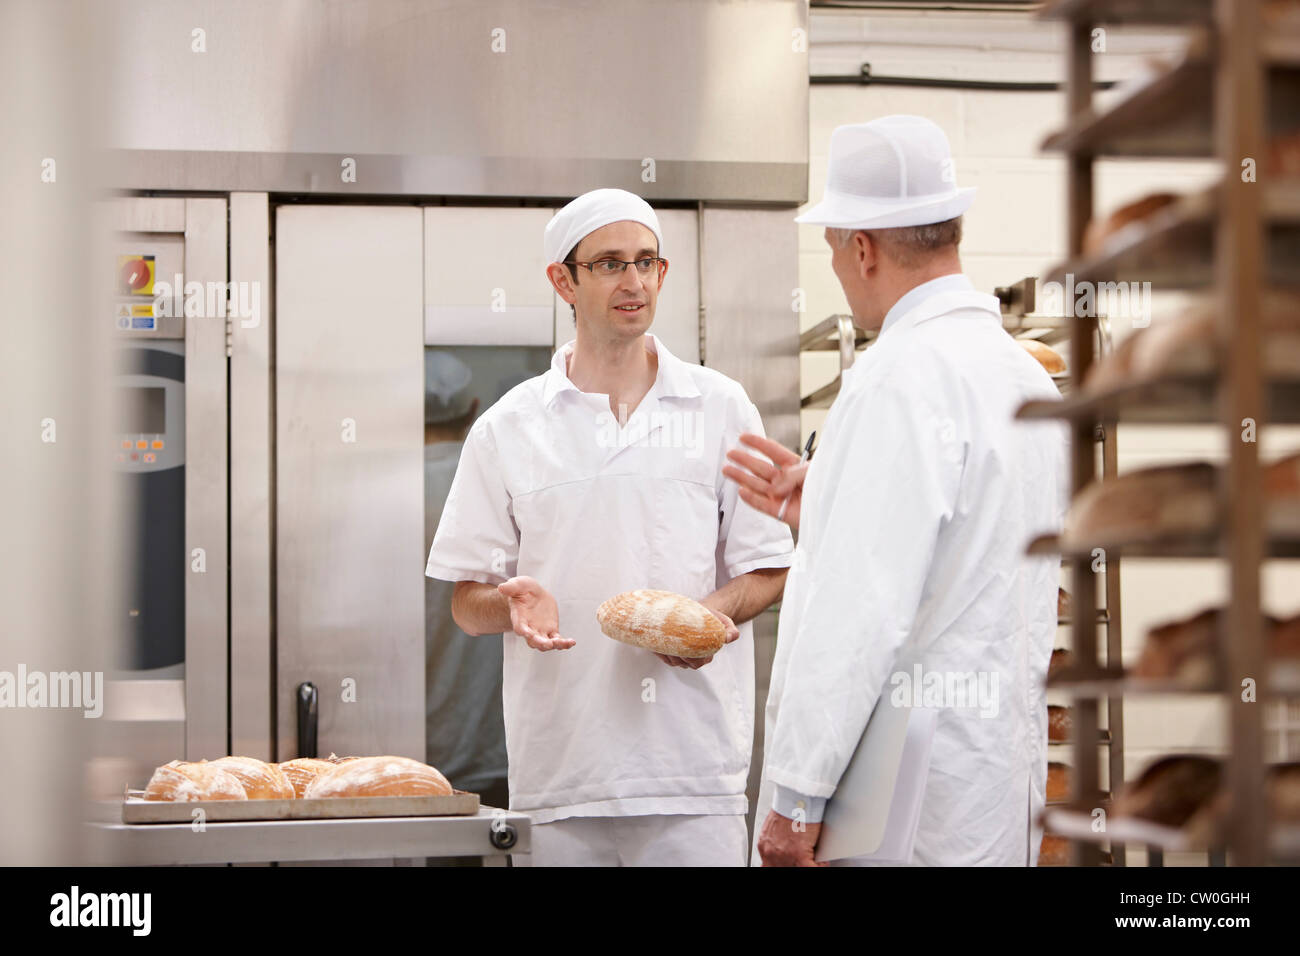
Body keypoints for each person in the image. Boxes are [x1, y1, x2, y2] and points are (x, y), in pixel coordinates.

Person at [724, 116, 1067, 866]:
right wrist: (832, 506)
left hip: (897, 807)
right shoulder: (1024, 376)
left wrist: (792, 799)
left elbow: (858, 613)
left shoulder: (895, 379)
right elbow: (971, 556)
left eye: (834, 252)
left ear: (863, 248)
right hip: (990, 790)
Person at [425, 188, 794, 866]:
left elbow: (769, 564)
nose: (633, 281)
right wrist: (511, 610)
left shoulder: (719, 407)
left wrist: (706, 616)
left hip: (692, 777)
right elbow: (466, 604)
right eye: (608, 263)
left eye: (646, 261)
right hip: (562, 779)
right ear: (561, 280)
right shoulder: (510, 427)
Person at [422, 350, 509, 835]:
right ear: (474, 408)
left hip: (406, 748)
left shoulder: (375, 487)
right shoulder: (499, 482)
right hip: (492, 742)